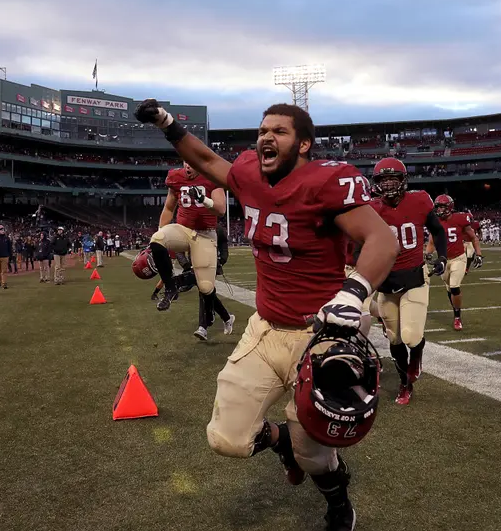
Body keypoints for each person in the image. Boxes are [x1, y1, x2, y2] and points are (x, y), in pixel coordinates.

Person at [135, 98, 398, 531]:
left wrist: (353, 295)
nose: (266, 137)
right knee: (227, 439)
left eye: (279, 131)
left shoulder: (327, 181)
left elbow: (381, 240)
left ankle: (338, 501)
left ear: (305, 144)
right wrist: (167, 124)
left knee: (315, 452)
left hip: (320, 332)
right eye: (262, 130)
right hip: (264, 329)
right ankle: (281, 445)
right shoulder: (249, 173)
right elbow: (204, 158)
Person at [370, 157, 447, 405]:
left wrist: (442, 256)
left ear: (404, 181)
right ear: (377, 183)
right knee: (394, 339)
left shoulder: (419, 200)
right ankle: (405, 384)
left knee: (411, 336)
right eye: (384, 179)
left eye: (394, 178)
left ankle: (416, 356)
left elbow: (437, 229)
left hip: (414, 277)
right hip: (385, 282)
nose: (389, 184)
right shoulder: (370, 209)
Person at [147, 159, 227, 322]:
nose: (188, 166)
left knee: (205, 287)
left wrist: (203, 199)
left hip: (205, 234)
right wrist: (159, 243)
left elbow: (221, 209)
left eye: (192, 162)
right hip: (184, 229)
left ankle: (220, 315)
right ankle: (171, 289)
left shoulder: (212, 177)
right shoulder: (176, 177)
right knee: (157, 238)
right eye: (186, 162)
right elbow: (169, 208)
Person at [426, 194, 482, 331]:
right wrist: (427, 253)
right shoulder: (435, 221)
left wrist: (479, 254)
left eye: (442, 207)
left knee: (455, 286)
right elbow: (432, 241)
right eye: (438, 207)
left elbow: (473, 237)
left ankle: (457, 317)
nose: (439, 210)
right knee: (449, 289)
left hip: (458, 258)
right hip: (443, 260)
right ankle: (455, 312)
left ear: (450, 207)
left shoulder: (460, 219)